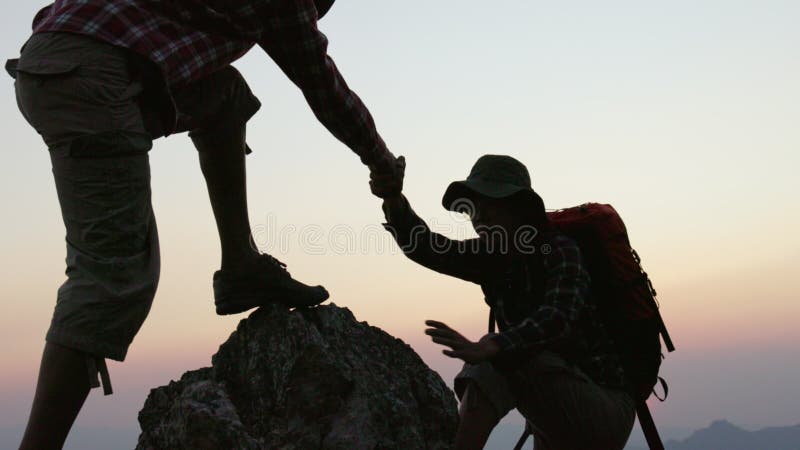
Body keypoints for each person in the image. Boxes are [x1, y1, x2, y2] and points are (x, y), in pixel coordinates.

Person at [9, 1, 402, 448]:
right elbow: (325, 90)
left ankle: (241, 265)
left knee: (223, 92)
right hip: (88, 73)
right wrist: (381, 162)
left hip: (69, 55)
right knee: (111, 277)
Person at [375, 155, 635, 450]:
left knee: (493, 366)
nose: (479, 215)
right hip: (554, 408)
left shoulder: (558, 249)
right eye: (472, 206)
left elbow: (558, 316)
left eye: (490, 202)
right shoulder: (493, 257)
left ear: (519, 208)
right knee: (499, 362)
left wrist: (495, 345)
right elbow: (426, 247)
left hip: (603, 410)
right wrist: (393, 198)